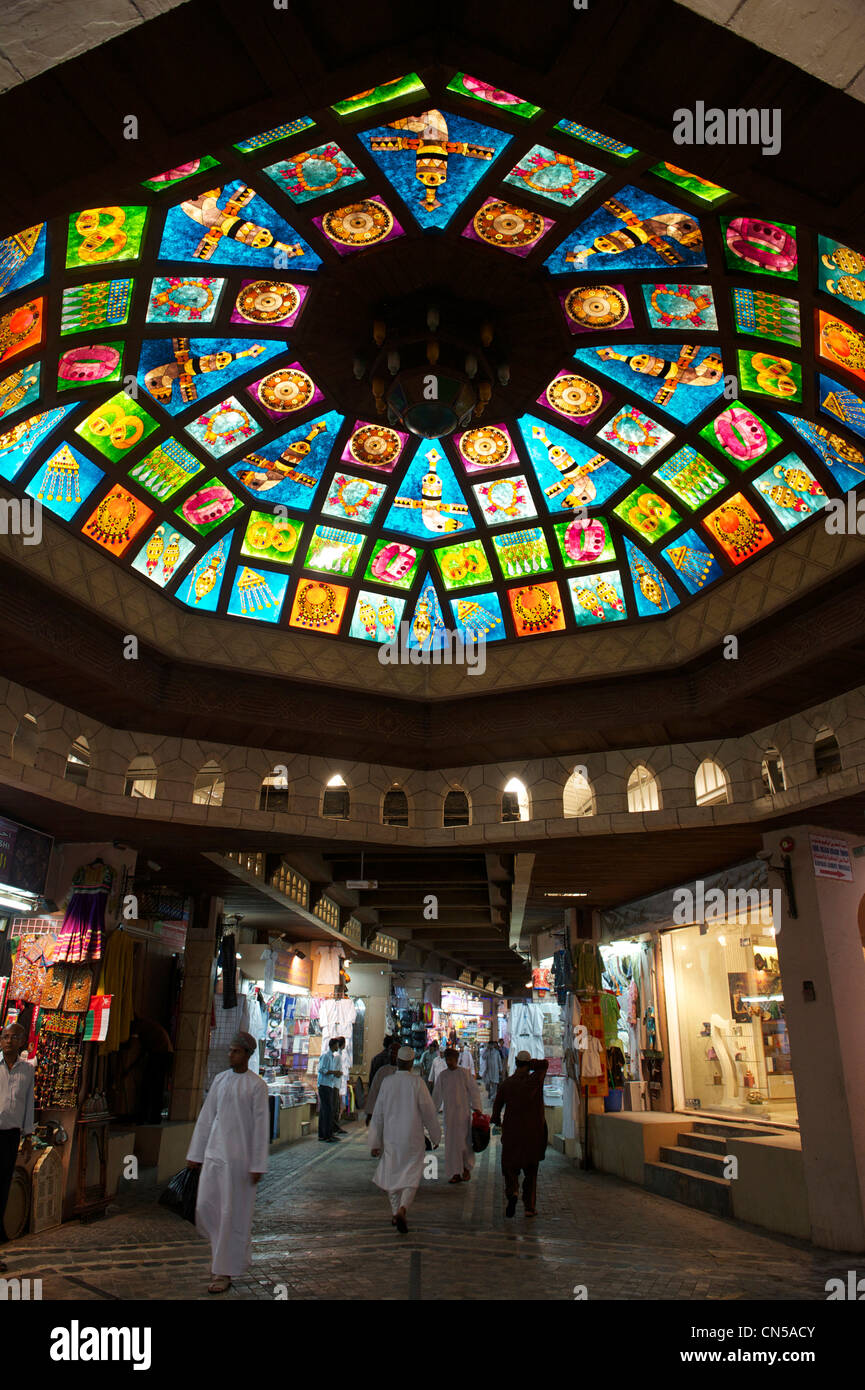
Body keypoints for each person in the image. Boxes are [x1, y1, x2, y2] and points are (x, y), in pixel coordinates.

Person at [186, 1031, 269, 1294]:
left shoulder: (256, 1086)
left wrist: (257, 1164)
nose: (230, 1055)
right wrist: (195, 1155)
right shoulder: (220, 1080)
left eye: (235, 1051)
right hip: (214, 1157)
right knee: (207, 1208)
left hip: (239, 1164)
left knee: (230, 1215)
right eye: (230, 1050)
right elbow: (206, 1118)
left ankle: (222, 1271)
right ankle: (227, 1258)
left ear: (247, 1055)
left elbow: (260, 1127)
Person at [369, 1045, 440, 1234]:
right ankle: (403, 1208)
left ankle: (395, 1211)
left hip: (391, 1137)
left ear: (398, 1062)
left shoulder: (387, 1082)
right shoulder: (418, 1083)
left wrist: (375, 1142)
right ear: (411, 1064)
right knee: (412, 1174)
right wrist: (435, 1136)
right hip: (413, 1137)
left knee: (392, 1174)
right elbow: (429, 1113)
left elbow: (378, 1115)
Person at [491, 1051, 548, 1218]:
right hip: (533, 1134)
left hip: (512, 1133)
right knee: (531, 1171)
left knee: (510, 1168)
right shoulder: (535, 1080)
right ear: (528, 1065)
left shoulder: (508, 1084)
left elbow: (497, 1106)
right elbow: (544, 1064)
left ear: (515, 1063)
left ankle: (513, 1192)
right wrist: (530, 1065)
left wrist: (496, 1121)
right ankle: (529, 1207)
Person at [0, 1023, 33, 1271]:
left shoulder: (27, 1070)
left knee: (2, 1192)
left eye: (14, 1037)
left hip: (10, 1137)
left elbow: (28, 1104)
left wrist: (28, 1135)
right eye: (5, 1036)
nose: (9, 1041)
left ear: (22, 1041)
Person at [432, 1047, 483, 1184]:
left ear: (456, 1059)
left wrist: (477, 1108)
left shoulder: (464, 1074)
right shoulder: (443, 1076)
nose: (449, 1062)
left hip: (463, 1116)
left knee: (465, 1144)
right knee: (451, 1145)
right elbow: (436, 1096)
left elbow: (474, 1092)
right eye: (447, 1059)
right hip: (449, 1117)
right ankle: (455, 1173)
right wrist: (432, 1113)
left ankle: (466, 1169)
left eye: (451, 1059)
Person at [364, 1039, 399, 1124]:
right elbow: (373, 1090)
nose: (392, 1054)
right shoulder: (382, 1071)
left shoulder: (403, 1073)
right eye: (391, 1052)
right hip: (382, 1108)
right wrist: (370, 1112)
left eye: (395, 1052)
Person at [317, 1037, 342, 1142]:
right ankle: (327, 1135)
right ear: (333, 1045)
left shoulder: (332, 1057)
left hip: (329, 1085)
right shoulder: (326, 1056)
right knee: (327, 1111)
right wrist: (333, 1072)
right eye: (337, 1045)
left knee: (325, 1110)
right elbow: (321, 1069)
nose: (338, 1047)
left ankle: (324, 1134)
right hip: (324, 1085)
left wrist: (336, 1074)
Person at [331, 1037, 347, 1135]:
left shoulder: (340, 1055)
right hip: (334, 1084)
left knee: (337, 1107)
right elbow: (333, 1069)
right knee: (335, 1107)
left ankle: (336, 1127)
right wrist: (338, 1073)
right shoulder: (337, 1056)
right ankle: (334, 1127)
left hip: (337, 1084)